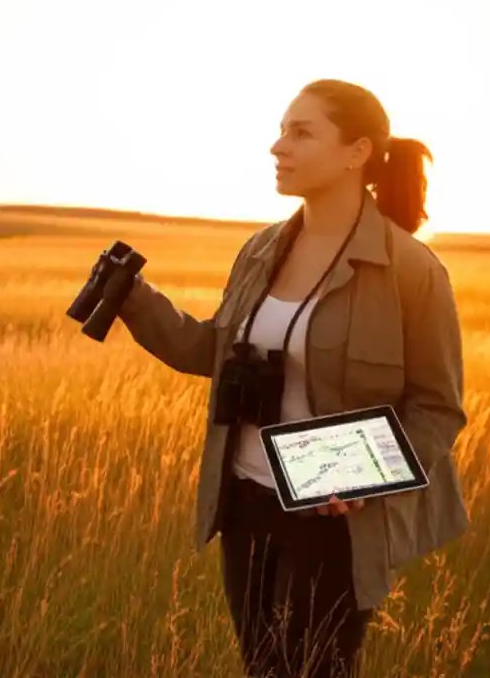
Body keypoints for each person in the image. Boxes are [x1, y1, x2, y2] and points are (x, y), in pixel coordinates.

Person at [116, 79, 469, 677]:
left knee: (316, 670)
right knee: (262, 667)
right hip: (246, 497)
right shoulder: (260, 249)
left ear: (358, 152)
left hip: (333, 518)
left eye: (301, 132)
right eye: (282, 130)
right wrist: (133, 299)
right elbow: (215, 350)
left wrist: (364, 480)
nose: (279, 146)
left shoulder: (410, 269)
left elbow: (438, 407)